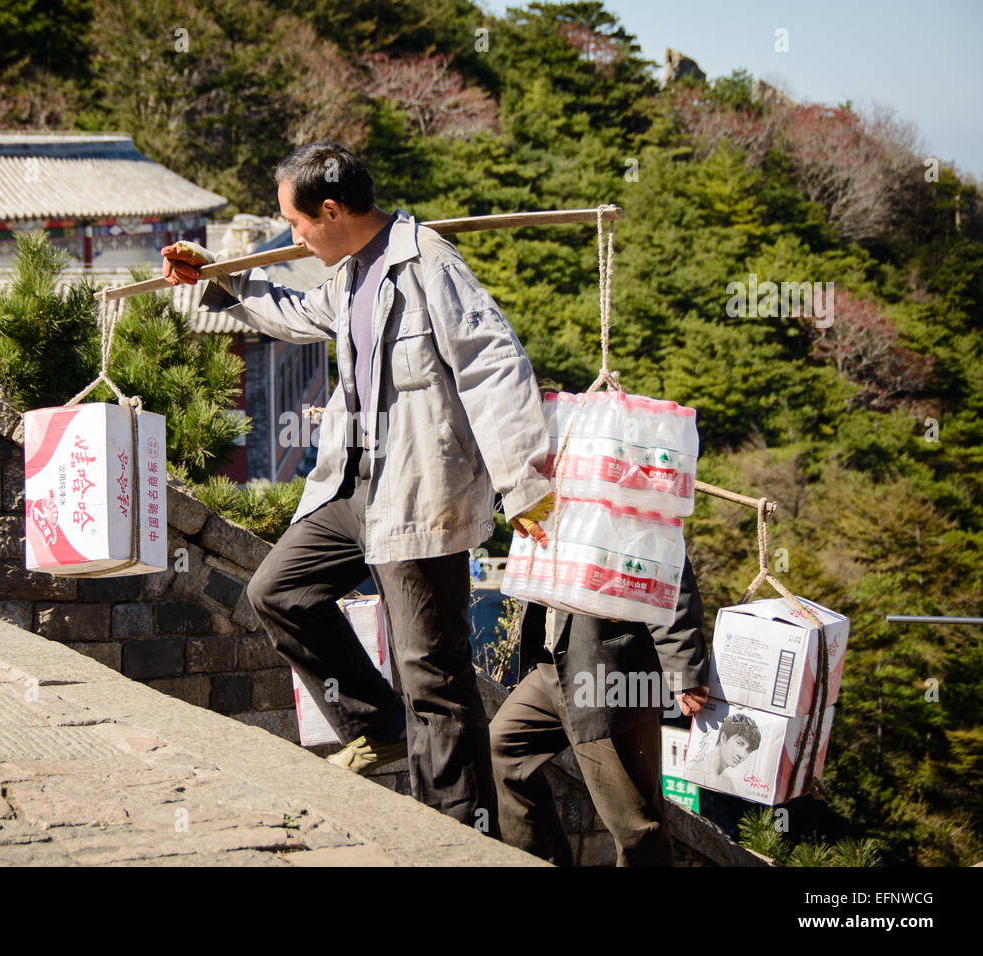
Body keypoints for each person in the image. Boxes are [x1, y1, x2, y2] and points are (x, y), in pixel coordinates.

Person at [162, 142, 555, 832]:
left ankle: (461, 831)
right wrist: (218, 279)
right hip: (355, 485)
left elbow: (492, 362)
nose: (294, 237)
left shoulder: (428, 264)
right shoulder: (348, 276)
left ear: (334, 209)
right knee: (278, 591)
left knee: (432, 672)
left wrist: (525, 484)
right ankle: (375, 723)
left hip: (420, 491)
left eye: (297, 223)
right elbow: (297, 316)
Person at [488, 557, 710, 865]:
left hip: (611, 673)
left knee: (637, 828)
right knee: (503, 748)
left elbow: (667, 566)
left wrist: (684, 669)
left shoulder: (635, 507)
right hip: (554, 663)